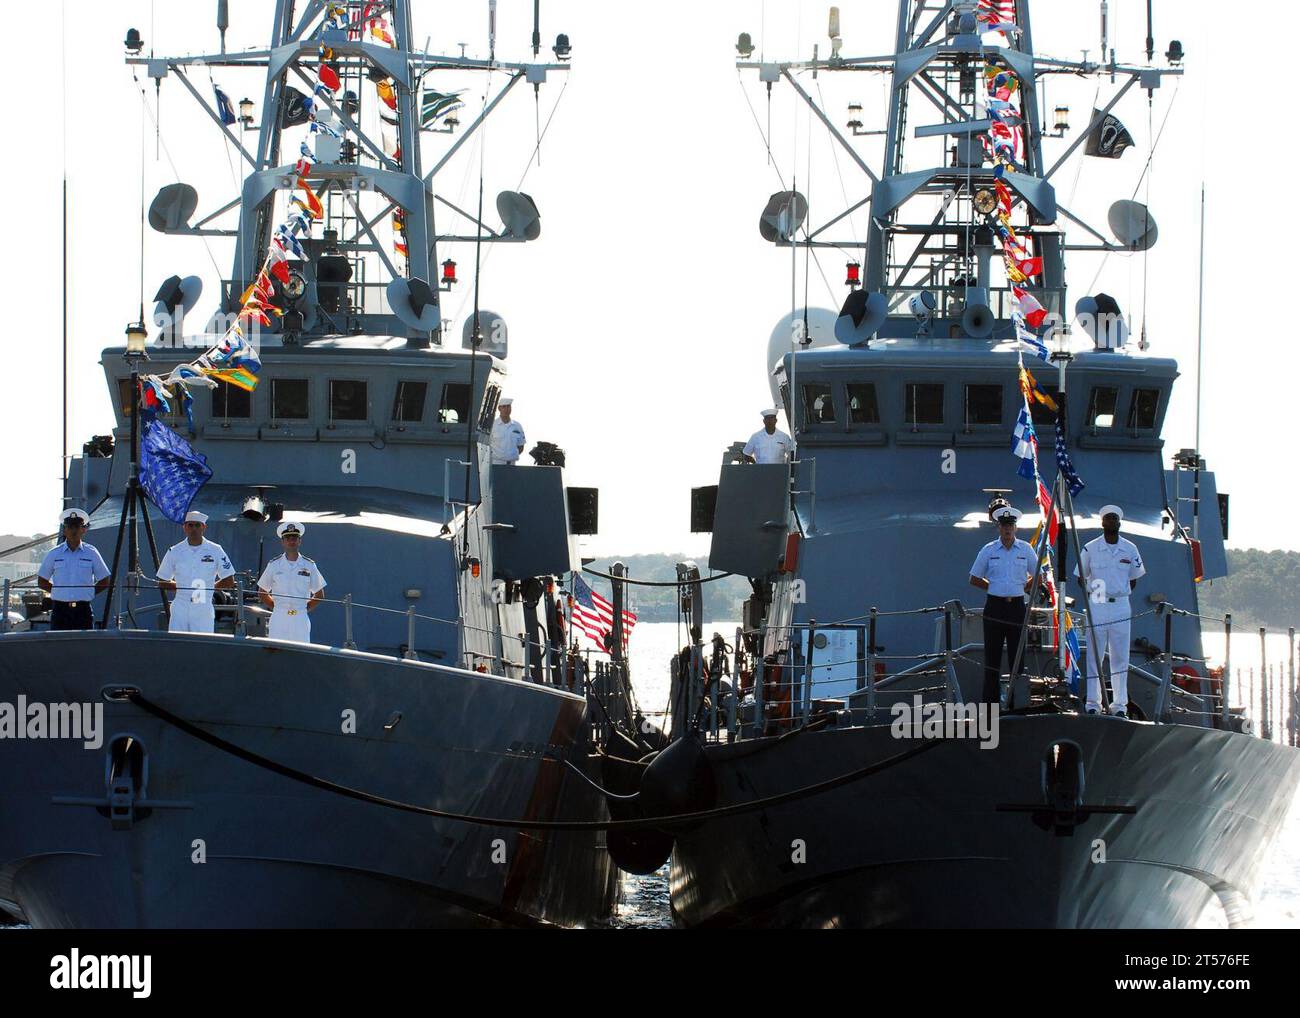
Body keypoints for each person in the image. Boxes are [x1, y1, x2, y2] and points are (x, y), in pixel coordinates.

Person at [1076, 504, 1145, 718]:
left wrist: (1117, 593)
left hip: (1121, 606)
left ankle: (1119, 705)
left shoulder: (1130, 549)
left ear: (1119, 522)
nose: (1111, 521)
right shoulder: (1090, 548)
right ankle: (1093, 703)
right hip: (1097, 603)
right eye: (1108, 518)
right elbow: (1081, 576)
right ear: (1102, 522)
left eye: (1115, 518)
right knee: (1095, 656)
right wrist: (1099, 594)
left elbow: (1133, 579)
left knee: (1120, 657)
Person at [968, 505, 1035, 706]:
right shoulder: (989, 551)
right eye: (1004, 525)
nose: (1007, 529)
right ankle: (990, 704)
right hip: (995, 607)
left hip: (1016, 607)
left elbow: (1038, 573)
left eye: (1011, 525)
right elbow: (974, 578)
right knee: (992, 657)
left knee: (1017, 659)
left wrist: (1023, 587)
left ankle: (1017, 704)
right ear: (999, 528)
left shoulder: (1025, 549)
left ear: (1016, 528)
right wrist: (993, 587)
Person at [156, 510, 236, 633]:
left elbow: (229, 580)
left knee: (203, 647)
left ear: (204, 527)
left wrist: (208, 589)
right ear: (185, 528)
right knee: (177, 644)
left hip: (202, 609)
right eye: (190, 525)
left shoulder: (216, 550)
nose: (194, 529)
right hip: (180, 608)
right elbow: (162, 581)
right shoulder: (174, 551)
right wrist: (183, 588)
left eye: (197, 525)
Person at [38, 508, 112, 631]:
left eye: (77, 527)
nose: (73, 531)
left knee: (84, 647)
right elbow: (42, 581)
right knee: (59, 646)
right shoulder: (54, 554)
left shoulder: (91, 553)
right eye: (70, 527)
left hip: (83, 610)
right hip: (60, 611)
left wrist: (88, 592)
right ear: (64, 530)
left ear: (83, 530)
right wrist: (59, 592)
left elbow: (105, 580)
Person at [257, 521, 326, 643]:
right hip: (279, 618)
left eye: (294, 538)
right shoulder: (274, 565)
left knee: (301, 654)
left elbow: (319, 595)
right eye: (288, 538)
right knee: (276, 652)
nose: (291, 541)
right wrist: (277, 607)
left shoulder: (309, 565)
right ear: (282, 542)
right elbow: (262, 592)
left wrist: (303, 608)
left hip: (300, 618)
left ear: (300, 541)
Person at [490, 397, 526, 465]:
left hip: (512, 464)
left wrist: (510, 456)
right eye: (504, 407)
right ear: (499, 408)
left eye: (508, 406)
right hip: (496, 464)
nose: (506, 409)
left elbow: (521, 446)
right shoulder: (492, 426)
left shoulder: (517, 426)